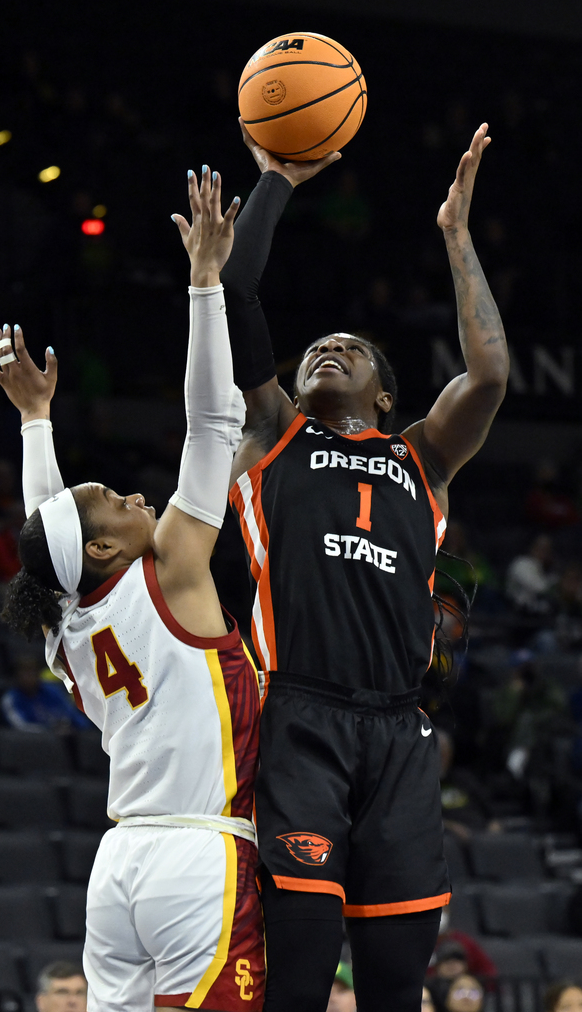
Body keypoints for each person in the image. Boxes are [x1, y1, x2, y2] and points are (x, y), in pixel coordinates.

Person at [222, 121, 509, 1012]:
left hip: (398, 732)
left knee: (393, 988)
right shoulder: (272, 434)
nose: (325, 347)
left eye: (350, 347)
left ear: (385, 394)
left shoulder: (420, 453)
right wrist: (276, 181)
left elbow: (489, 372)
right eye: (315, 346)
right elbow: (236, 290)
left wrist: (458, 241)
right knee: (300, 980)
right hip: (298, 717)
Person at [0, 168, 265, 1012]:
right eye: (115, 500)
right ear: (106, 544)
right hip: (197, 858)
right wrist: (204, 285)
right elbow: (213, 423)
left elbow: (49, 529)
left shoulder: (62, 615)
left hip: (120, 872)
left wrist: (38, 422)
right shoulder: (173, 567)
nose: (139, 496)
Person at [1, 656, 91, 732]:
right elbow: (20, 726)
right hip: (33, 744)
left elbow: (73, 715)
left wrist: (75, 727)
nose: (29, 677)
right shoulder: (11, 698)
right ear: (17, 676)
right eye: (25, 673)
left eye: (32, 672)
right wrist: (50, 729)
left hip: (63, 740)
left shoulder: (53, 691)